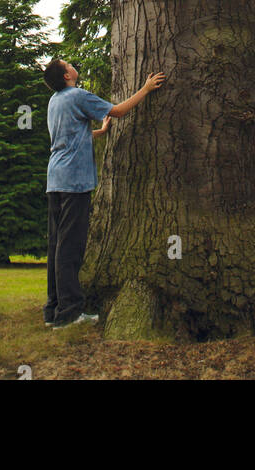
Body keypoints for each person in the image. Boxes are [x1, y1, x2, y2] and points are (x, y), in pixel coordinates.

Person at [41, 58, 166, 329]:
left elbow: (69, 136)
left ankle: (52, 310)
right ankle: (70, 313)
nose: (72, 65)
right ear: (66, 76)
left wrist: (100, 131)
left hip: (55, 180)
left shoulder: (55, 101)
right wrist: (145, 89)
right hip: (74, 181)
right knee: (69, 248)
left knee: (56, 246)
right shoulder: (77, 96)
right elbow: (118, 110)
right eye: (68, 64)